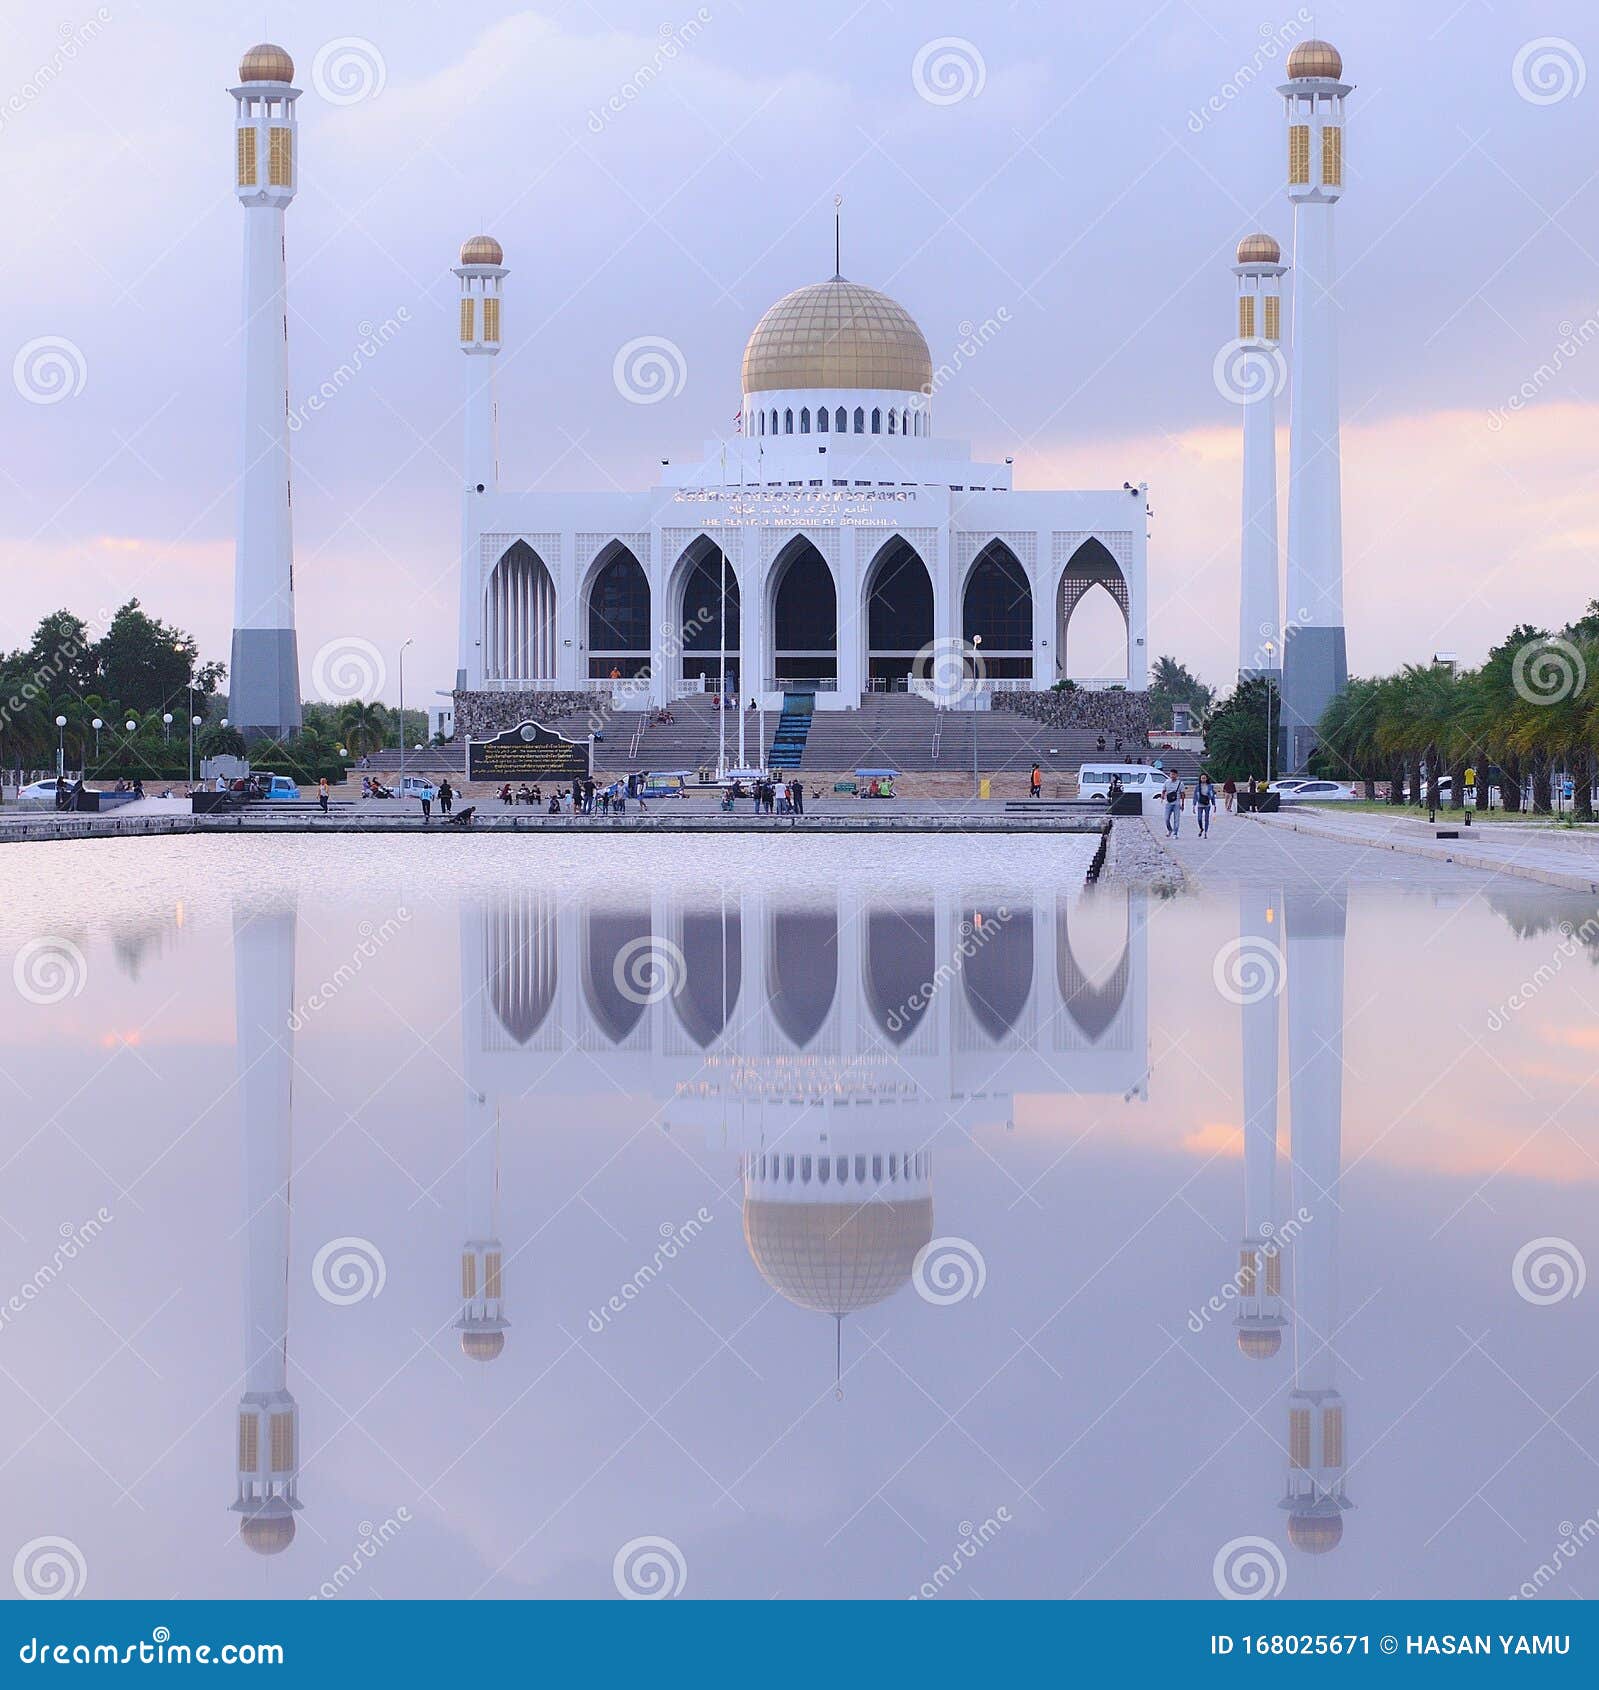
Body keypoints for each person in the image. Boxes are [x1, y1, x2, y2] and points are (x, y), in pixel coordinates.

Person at [1194, 770, 1216, 838]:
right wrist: (1194, 805)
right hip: (1200, 804)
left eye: (1204, 778)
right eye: (1202, 778)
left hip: (1207, 804)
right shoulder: (1198, 786)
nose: (1203, 779)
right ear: (1200, 779)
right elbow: (1195, 796)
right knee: (1199, 818)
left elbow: (1212, 795)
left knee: (1206, 818)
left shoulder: (1210, 786)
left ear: (1207, 779)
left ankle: (1206, 832)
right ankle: (1201, 828)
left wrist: (1214, 804)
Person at [1161, 770, 1183, 838]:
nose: (1172, 776)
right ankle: (1170, 829)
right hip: (1169, 803)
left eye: (1174, 774)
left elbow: (1182, 794)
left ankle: (1175, 833)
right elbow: (1164, 790)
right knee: (1166, 818)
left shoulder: (1180, 783)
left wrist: (1182, 804)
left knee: (1176, 819)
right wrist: (1162, 796)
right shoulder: (1166, 782)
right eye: (1171, 774)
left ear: (1176, 775)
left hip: (1177, 803)